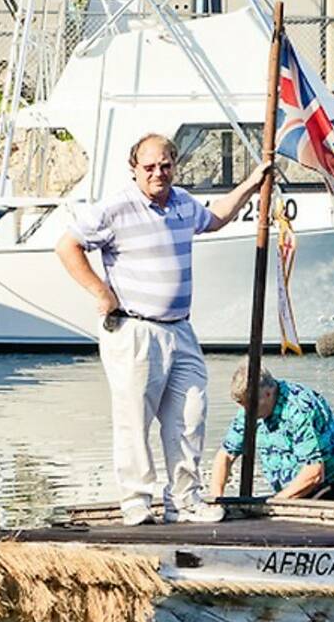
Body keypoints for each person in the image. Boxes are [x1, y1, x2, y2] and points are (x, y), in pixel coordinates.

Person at [56, 132, 268, 525]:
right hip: (135, 328)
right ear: (134, 169)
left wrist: (252, 184)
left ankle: (184, 499)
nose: (158, 173)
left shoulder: (183, 203)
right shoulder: (116, 208)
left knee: (190, 414)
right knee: (135, 418)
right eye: (150, 167)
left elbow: (216, 218)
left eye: (166, 166)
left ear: (175, 166)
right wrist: (100, 291)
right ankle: (136, 501)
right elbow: (67, 245)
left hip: (180, 329)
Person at [211, 364, 334, 502]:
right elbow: (226, 455)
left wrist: (274, 503)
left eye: (250, 405)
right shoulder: (250, 409)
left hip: (329, 485)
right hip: (289, 488)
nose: (247, 412)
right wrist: (216, 500)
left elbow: (314, 472)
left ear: (268, 393)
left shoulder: (299, 409)